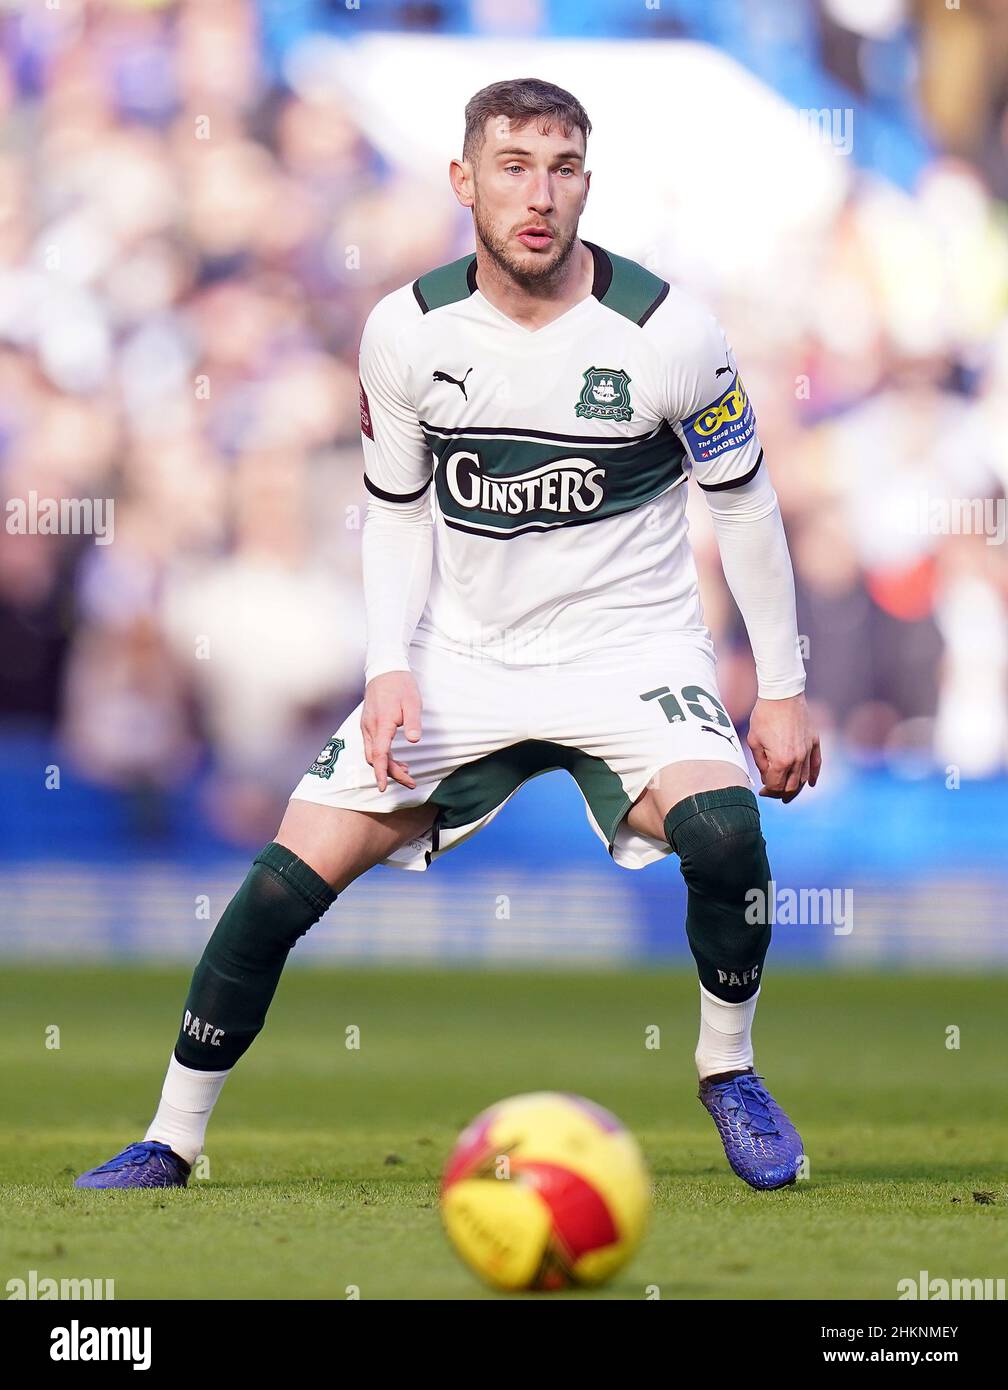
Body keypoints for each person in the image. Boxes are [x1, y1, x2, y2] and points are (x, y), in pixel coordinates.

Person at [77, 77, 820, 1194]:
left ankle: (727, 1068)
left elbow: (745, 500)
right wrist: (387, 666)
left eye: (563, 167)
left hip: (633, 653)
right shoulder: (406, 331)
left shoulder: (672, 333)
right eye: (513, 165)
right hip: (460, 656)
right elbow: (392, 508)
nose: (540, 195)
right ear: (464, 180)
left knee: (724, 834)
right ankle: (171, 1139)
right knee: (281, 884)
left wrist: (785, 684)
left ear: (587, 183)